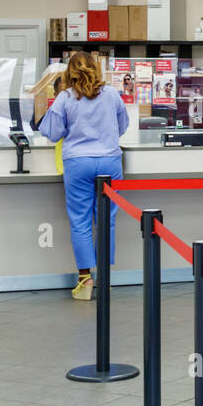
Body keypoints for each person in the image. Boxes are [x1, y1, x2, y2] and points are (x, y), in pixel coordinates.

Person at [38, 53, 129, 301]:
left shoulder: (65, 97)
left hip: (78, 162)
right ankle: (106, 282)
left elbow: (51, 132)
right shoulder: (111, 94)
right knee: (106, 221)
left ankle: (84, 280)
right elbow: (122, 126)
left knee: (80, 221)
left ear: (69, 72)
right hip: (110, 161)